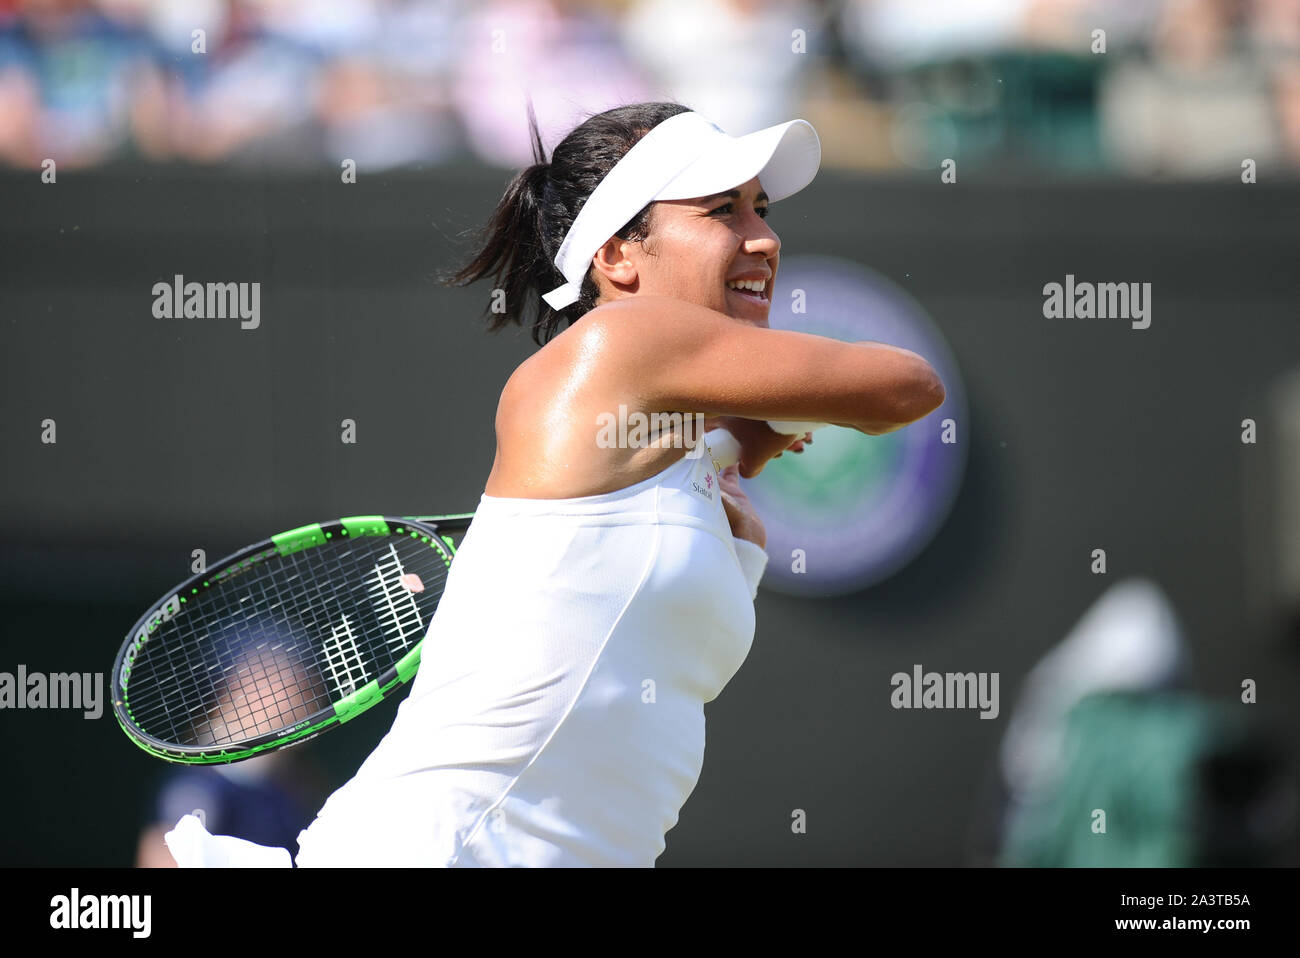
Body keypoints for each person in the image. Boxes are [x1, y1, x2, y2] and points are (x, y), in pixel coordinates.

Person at [165, 100, 945, 868]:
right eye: (721, 211)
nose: (764, 238)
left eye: (762, 210)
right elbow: (905, 386)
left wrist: (737, 448)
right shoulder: (620, 339)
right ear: (616, 257)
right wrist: (748, 420)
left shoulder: (707, 500)